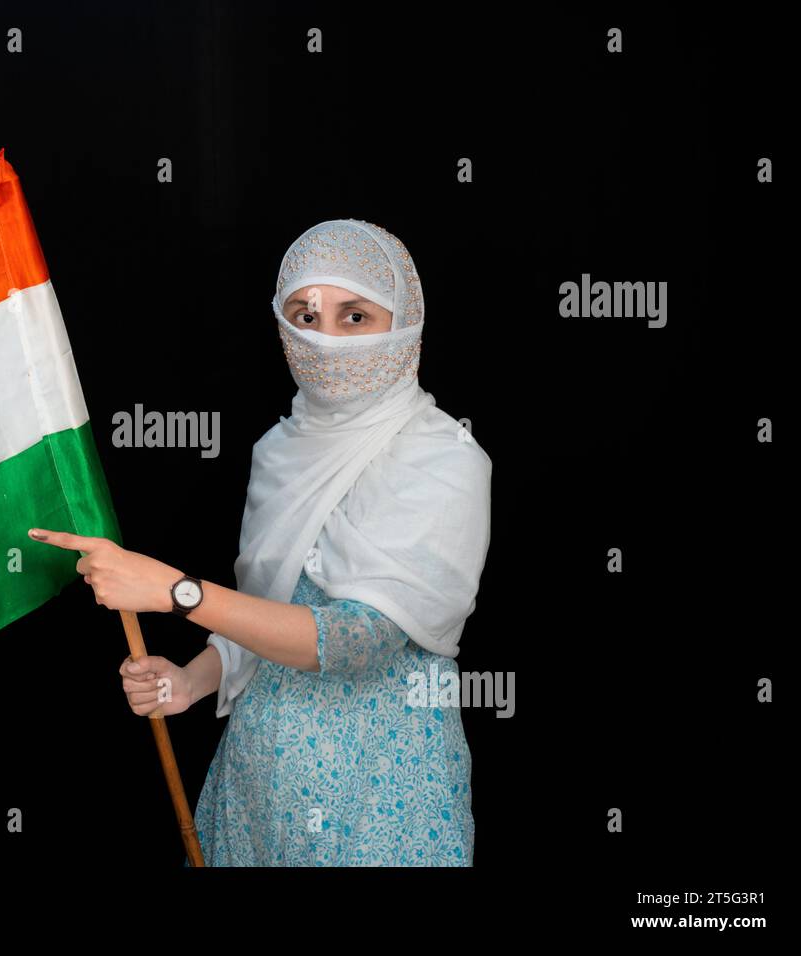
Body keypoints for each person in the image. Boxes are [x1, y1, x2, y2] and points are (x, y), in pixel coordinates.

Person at [29, 219, 492, 866]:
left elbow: (357, 641)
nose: (324, 339)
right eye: (304, 315)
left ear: (405, 320)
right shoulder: (280, 452)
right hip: (258, 789)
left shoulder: (444, 458)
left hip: (381, 800)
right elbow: (264, 611)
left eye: (353, 316)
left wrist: (174, 591)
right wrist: (190, 679)